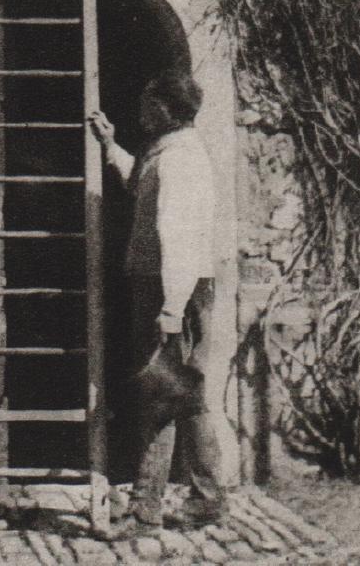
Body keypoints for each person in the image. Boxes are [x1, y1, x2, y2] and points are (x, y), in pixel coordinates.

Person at [89, 68, 225, 538]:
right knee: (186, 397)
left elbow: (180, 238)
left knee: (162, 396)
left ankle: (145, 511)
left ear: (166, 108)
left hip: (173, 287)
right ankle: (207, 501)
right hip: (173, 285)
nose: (142, 112)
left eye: (149, 105)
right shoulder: (169, 153)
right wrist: (111, 147)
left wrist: (171, 307)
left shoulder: (180, 160)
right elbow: (141, 192)